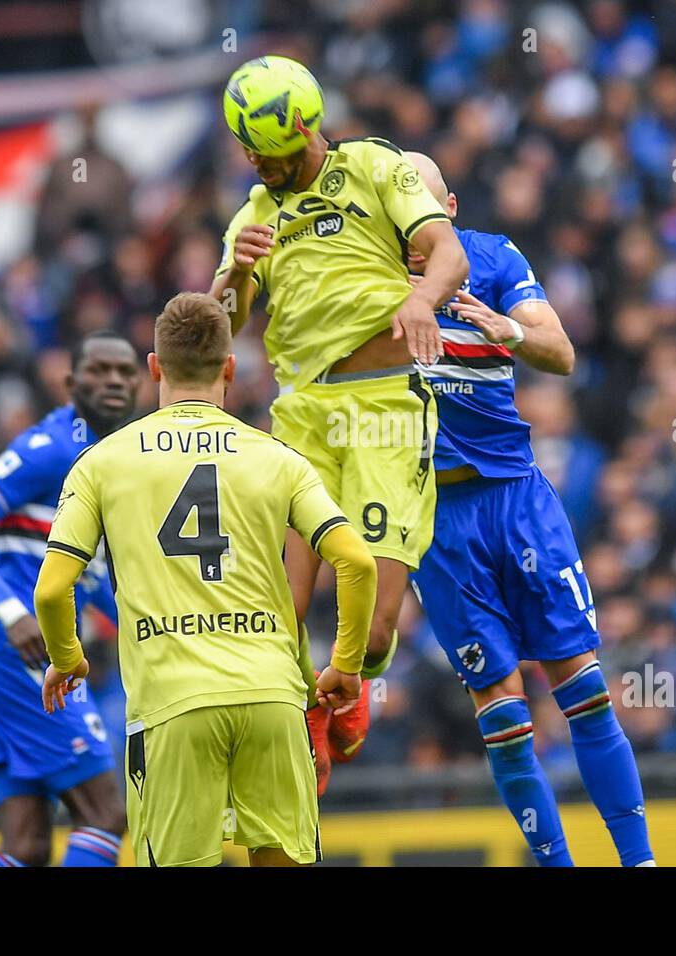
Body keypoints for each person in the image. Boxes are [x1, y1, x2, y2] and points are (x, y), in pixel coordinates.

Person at [34, 292, 377, 866]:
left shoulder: (101, 462)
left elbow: (50, 588)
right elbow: (357, 562)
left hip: (173, 706)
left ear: (153, 368)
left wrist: (68, 660)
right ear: (229, 368)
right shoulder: (279, 458)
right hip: (272, 696)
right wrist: (347, 662)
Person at [208, 55, 469, 790]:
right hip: (302, 415)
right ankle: (297, 719)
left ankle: (349, 685)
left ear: (308, 130)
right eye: (252, 153)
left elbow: (446, 252)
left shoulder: (374, 168)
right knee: (285, 599)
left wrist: (423, 300)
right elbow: (215, 334)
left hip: (388, 405)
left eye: (277, 154)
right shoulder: (253, 215)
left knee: (377, 629)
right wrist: (232, 275)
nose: (263, 166)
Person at [405, 153, 654, 867]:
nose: (415, 228)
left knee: (579, 683)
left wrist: (505, 330)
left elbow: (562, 352)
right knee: (501, 709)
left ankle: (639, 861)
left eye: (425, 211)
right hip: (438, 518)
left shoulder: (492, 257)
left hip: (515, 498)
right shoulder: (367, 275)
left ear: (449, 208)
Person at [0, 331, 140, 867]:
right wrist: (12, 611)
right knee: (104, 813)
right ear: (70, 383)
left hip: (9, 656)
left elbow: (92, 582)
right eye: (99, 370)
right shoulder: (52, 449)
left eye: (124, 371)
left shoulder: (112, 456)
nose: (113, 381)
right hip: (16, 652)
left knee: (27, 845)